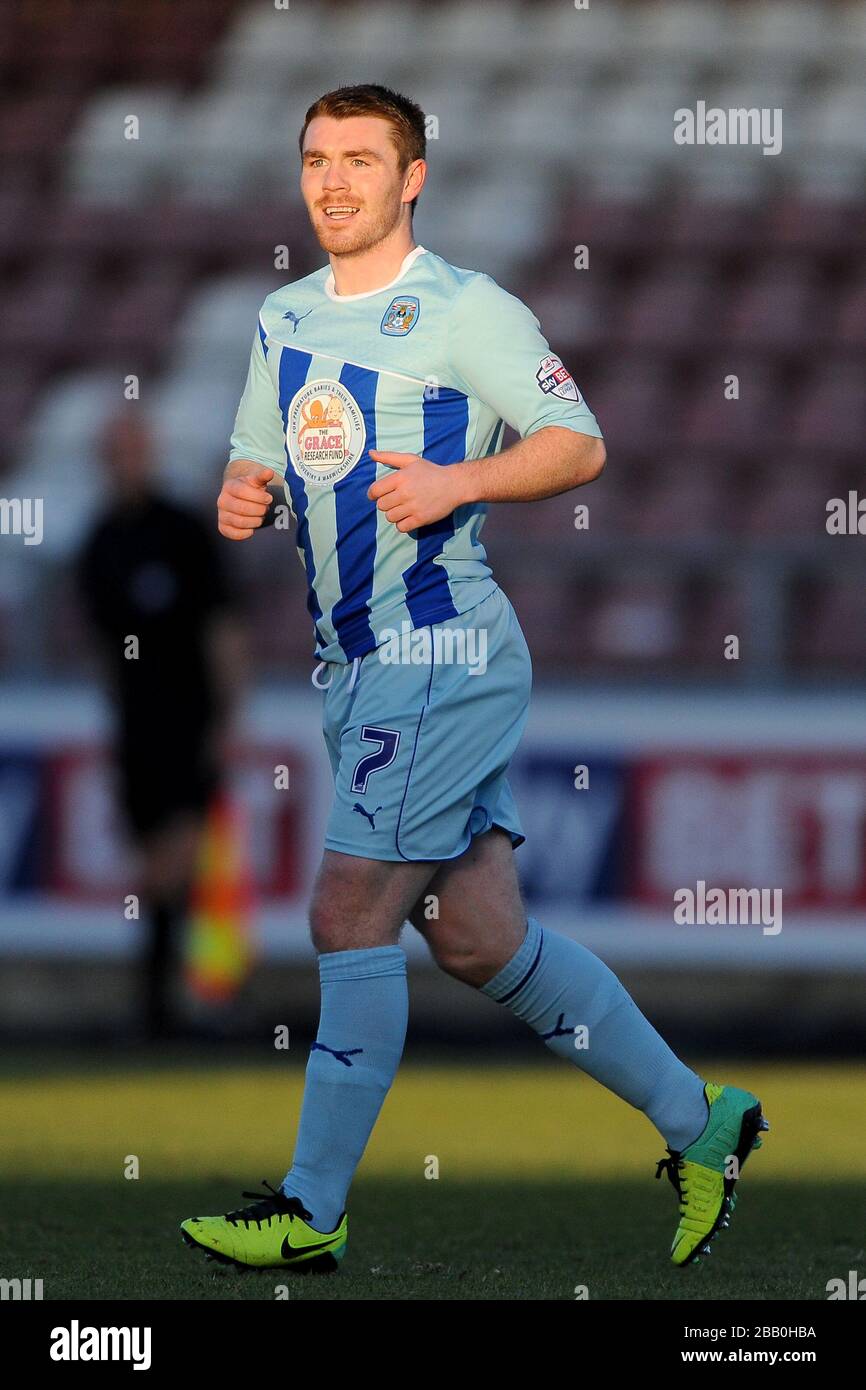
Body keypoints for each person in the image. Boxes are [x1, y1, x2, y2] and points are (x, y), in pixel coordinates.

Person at [180, 84, 768, 1273]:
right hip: (355, 670)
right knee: (475, 937)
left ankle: (310, 1208)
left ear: (413, 179)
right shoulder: (281, 318)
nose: (333, 180)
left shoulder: (464, 311)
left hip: (439, 657)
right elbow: (256, 460)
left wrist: (458, 483)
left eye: (360, 159)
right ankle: (702, 1122)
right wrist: (246, 493)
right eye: (315, 159)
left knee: (346, 912)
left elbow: (577, 442)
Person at [78, 409, 242, 1040]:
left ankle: (164, 1002)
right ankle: (160, 1002)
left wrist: (226, 715)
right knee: (150, 860)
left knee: (180, 856)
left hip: (188, 716)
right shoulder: (100, 542)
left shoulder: (181, 532)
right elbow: (102, 648)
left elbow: (222, 629)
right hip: (136, 726)